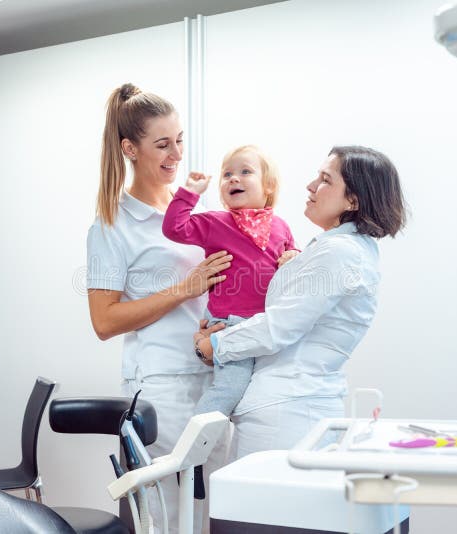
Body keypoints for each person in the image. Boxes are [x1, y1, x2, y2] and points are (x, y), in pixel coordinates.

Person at [193, 145, 407, 459]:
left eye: (325, 180)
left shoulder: (340, 252)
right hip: (286, 406)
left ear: (353, 199)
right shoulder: (338, 248)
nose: (310, 186)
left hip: (288, 412)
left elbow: (279, 326)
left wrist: (214, 345)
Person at [86, 83, 231, 534]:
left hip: (214, 379)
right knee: (166, 519)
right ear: (130, 148)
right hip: (160, 388)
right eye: (163, 144)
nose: (176, 154)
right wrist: (184, 289)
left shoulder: (194, 210)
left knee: (212, 515)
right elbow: (104, 321)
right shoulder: (112, 225)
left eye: (180, 140)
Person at [162, 145, 298, 418]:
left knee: (262, 395)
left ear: (268, 185)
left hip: (267, 324)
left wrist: (294, 255)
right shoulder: (216, 222)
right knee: (229, 390)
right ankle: (196, 441)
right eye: (227, 175)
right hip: (229, 324)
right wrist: (190, 193)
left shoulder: (281, 226)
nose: (234, 178)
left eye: (245, 172)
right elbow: (174, 228)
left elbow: (293, 259)